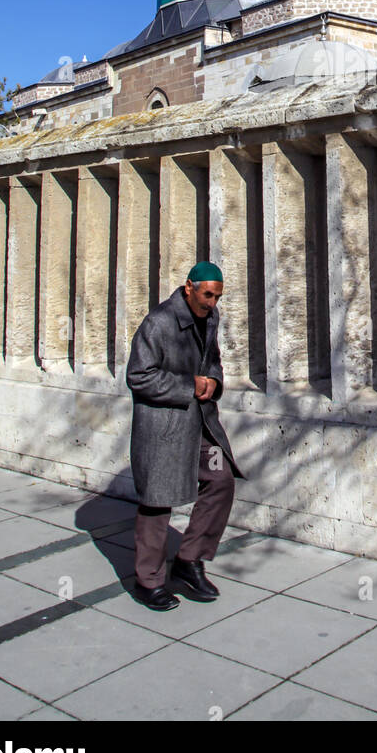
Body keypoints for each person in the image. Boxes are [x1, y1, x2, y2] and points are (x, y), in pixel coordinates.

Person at [126, 261, 245, 611]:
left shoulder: (211, 318)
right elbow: (139, 376)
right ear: (189, 286)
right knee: (157, 501)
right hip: (163, 426)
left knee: (221, 480)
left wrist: (213, 382)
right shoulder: (158, 323)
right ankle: (148, 581)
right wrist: (188, 385)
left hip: (199, 422)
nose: (212, 302)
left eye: (218, 296)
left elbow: (214, 361)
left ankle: (189, 559)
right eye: (207, 294)